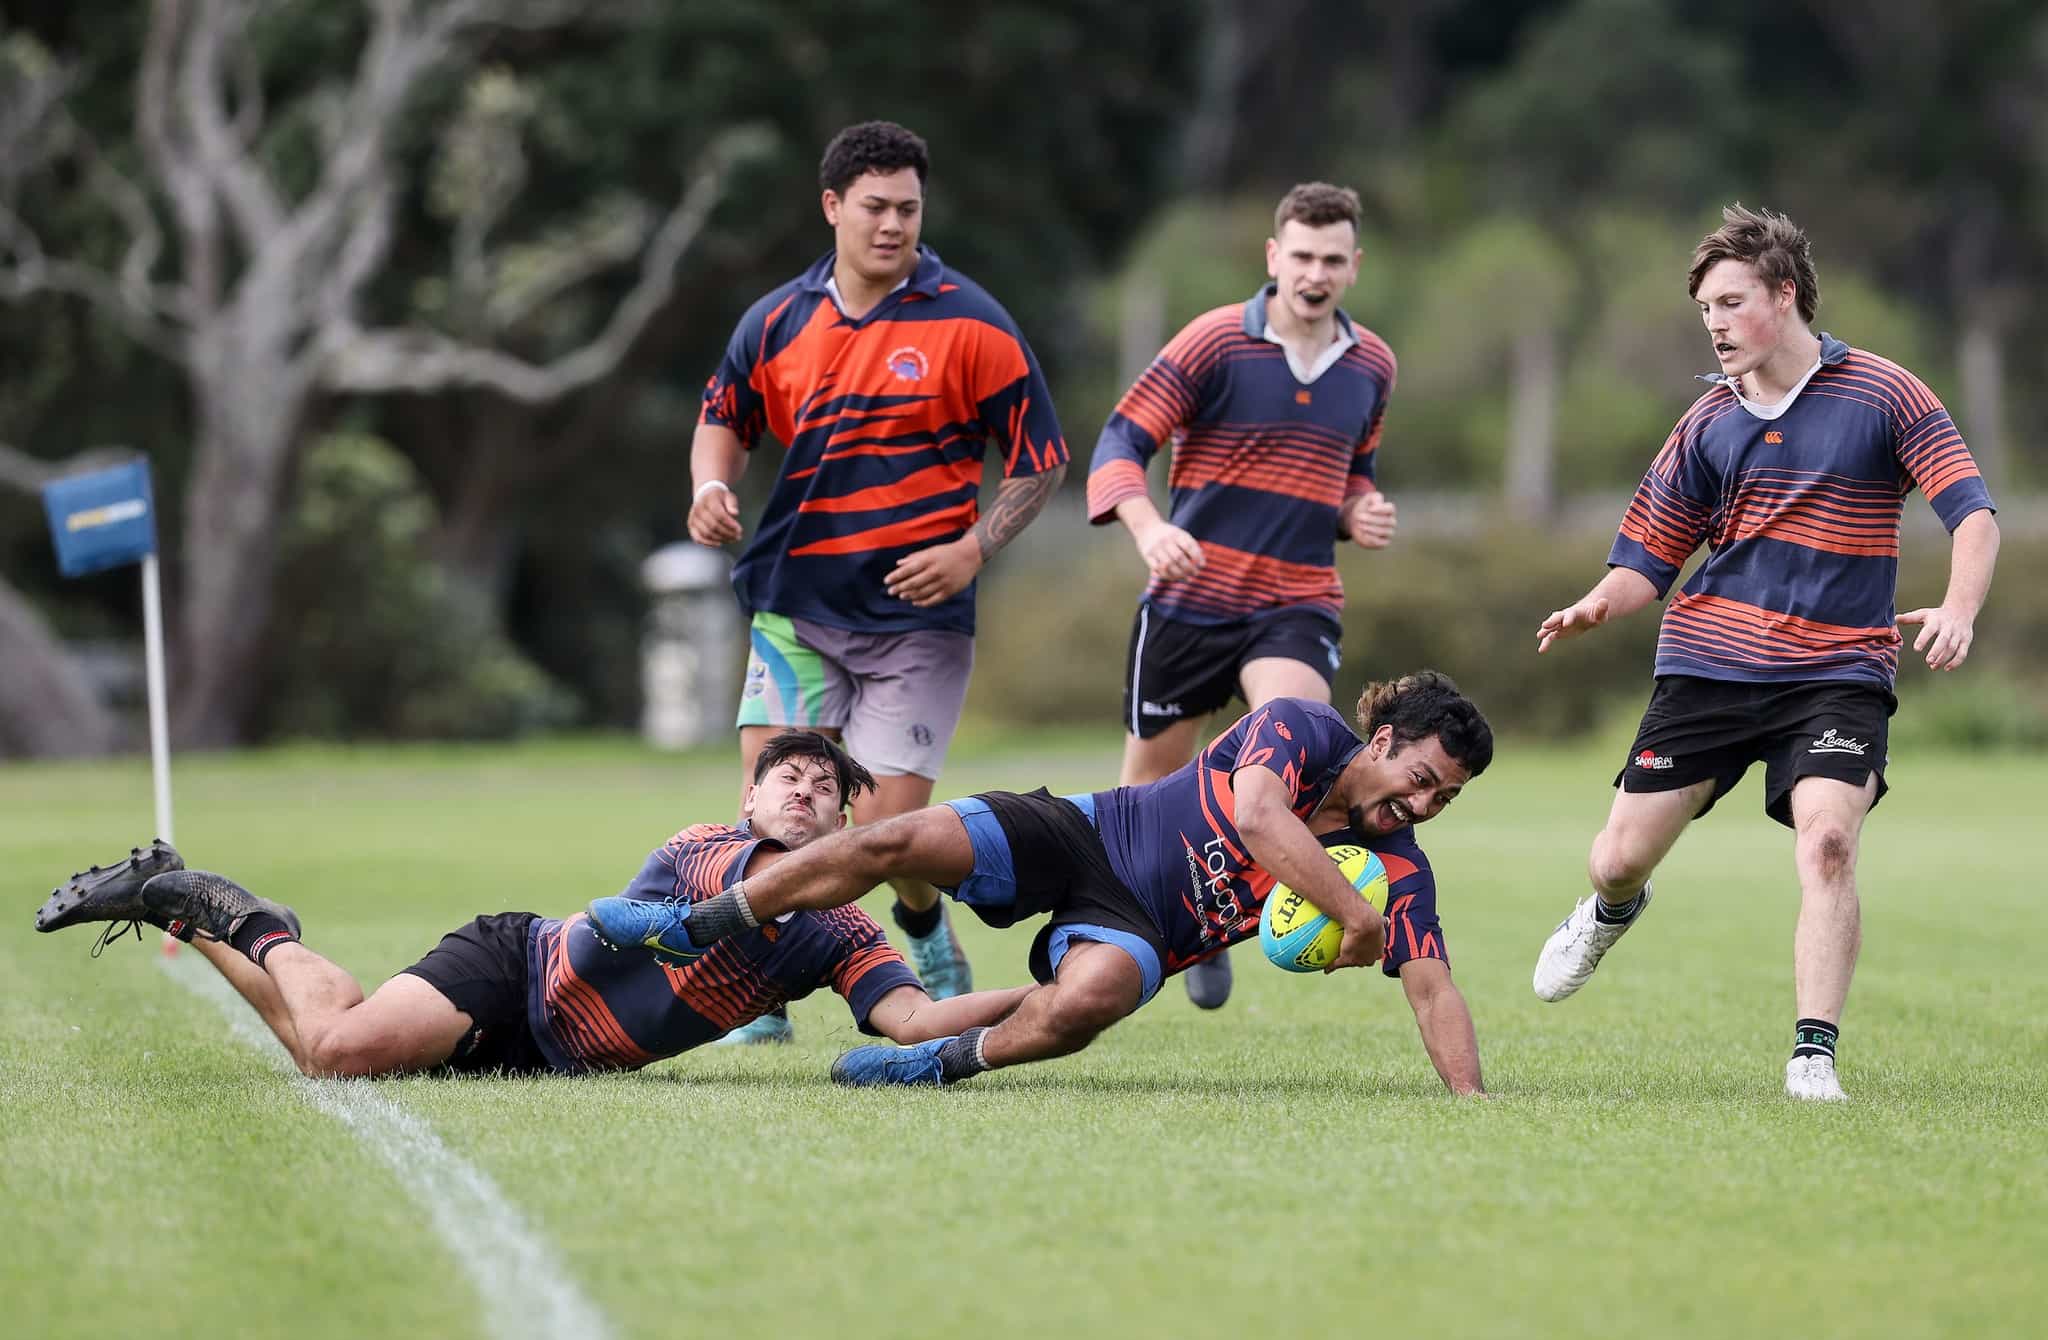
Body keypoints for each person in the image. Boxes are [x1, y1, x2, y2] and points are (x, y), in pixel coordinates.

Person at [1530, 205, 2000, 1103]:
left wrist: (1961, 609)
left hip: (1838, 673)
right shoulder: (1706, 422)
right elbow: (1645, 565)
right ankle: (1610, 911)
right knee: (1617, 857)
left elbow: (1972, 512)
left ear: (1784, 297)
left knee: (1828, 844)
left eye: (1731, 301)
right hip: (1708, 665)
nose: (1714, 321)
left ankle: (1813, 1054)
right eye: (1704, 305)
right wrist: (1597, 605)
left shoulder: (1887, 395)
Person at [589, 672, 1494, 1095]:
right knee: (896, 839)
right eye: (1421, 779)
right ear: (1381, 744)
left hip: (1138, 928)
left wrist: (1472, 1104)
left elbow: (1433, 987)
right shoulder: (1304, 727)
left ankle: (935, 1066)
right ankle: (698, 923)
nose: (1424, 806)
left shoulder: (1395, 874)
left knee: (1088, 999)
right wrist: (1351, 916)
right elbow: (1259, 815)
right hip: (1087, 830)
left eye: (1444, 800)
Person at [688, 120, 1069, 1043]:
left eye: (908, 208)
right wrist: (710, 484)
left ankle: (924, 923)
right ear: (832, 207)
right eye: (875, 207)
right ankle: (760, 992)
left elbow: (1042, 460)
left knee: (886, 833)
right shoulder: (776, 320)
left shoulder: (972, 322)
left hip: (918, 625)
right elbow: (722, 419)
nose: (893, 224)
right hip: (795, 608)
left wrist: (974, 549)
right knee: (776, 812)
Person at [34, 733, 1032, 1077]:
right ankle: (240, 913)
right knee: (338, 1054)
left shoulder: (843, 933)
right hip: (514, 964)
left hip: (548, 1053)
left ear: (848, 817)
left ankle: (181, 905)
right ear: (750, 801)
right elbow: (748, 898)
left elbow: (914, 1020)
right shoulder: (709, 851)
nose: (806, 793)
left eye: (824, 789)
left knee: (316, 1051)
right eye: (789, 781)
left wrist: (1046, 1000)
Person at [1085, 182, 1399, 1012]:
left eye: (1333, 259)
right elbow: (1120, 442)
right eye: (1301, 255)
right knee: (1144, 798)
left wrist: (1355, 510)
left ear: (1354, 266)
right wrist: (1150, 527)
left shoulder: (1372, 365)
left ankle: (1226, 919)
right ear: (1273, 257)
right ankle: (1129, 922)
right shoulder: (1215, 343)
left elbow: (1348, 473)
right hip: (1190, 598)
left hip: (1296, 600)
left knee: (1289, 764)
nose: (1315, 272)